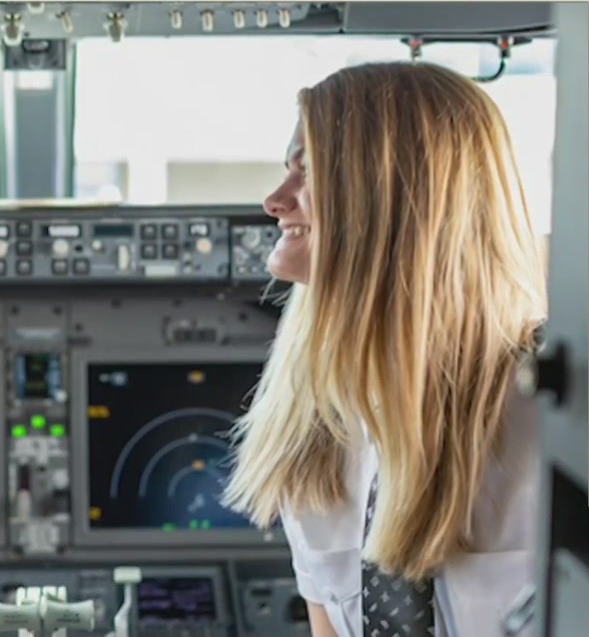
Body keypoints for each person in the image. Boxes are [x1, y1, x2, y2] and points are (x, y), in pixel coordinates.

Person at [222, 61, 548, 637]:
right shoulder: (312, 429)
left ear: (390, 194)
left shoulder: (550, 418)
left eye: (309, 172)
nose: (275, 200)